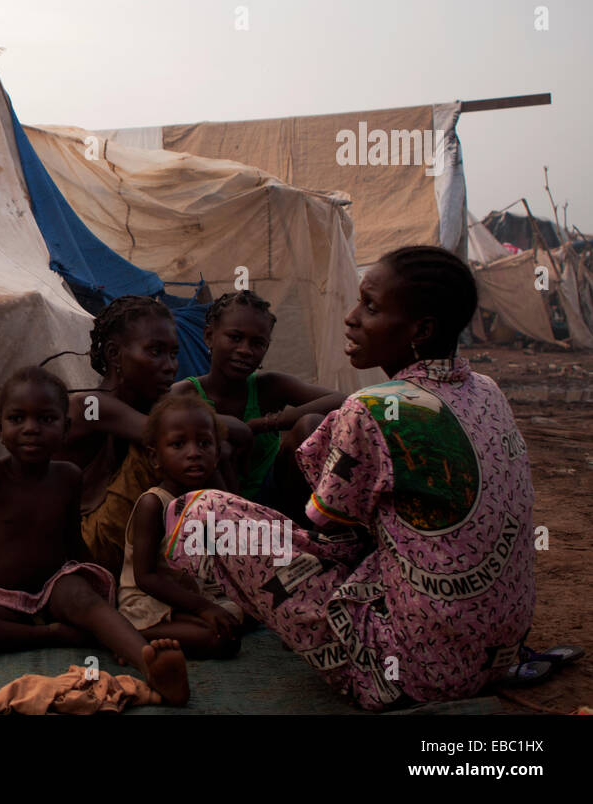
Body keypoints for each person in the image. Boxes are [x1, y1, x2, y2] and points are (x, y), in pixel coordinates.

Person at [163, 246, 536, 710]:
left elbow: (326, 535)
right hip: (494, 653)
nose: (351, 318)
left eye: (371, 307)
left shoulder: (373, 408)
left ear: (420, 330)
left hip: (409, 672)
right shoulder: (486, 389)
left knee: (198, 512)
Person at [0, 365, 190, 704]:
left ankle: (150, 664)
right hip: (1, 599)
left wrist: (100, 586)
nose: (31, 429)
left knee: (84, 598)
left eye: (46, 419)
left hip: (55, 588)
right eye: (17, 419)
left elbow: (72, 538)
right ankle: (49, 635)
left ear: (65, 428)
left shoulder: (68, 476)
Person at [172, 290, 345, 517]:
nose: (245, 350)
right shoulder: (185, 394)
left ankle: (308, 527)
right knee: (220, 448)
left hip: (277, 500)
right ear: (209, 336)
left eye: (257, 343)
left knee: (310, 424)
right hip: (211, 507)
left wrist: (267, 423)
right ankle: (239, 536)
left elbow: (344, 401)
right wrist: (230, 428)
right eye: (235, 337)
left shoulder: (270, 387)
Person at [58, 296, 184, 575]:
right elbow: (175, 434)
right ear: (114, 354)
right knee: (168, 445)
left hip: (108, 537)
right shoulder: (92, 406)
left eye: (173, 354)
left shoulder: (144, 404)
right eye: (155, 352)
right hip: (81, 545)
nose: (169, 366)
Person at [116, 392, 245, 658]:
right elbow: (145, 577)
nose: (194, 454)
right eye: (178, 445)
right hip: (150, 602)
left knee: (244, 616)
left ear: (217, 454)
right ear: (155, 457)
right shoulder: (154, 504)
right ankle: (127, 637)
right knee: (221, 639)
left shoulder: (211, 500)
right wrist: (203, 608)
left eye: (204, 444)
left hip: (192, 597)